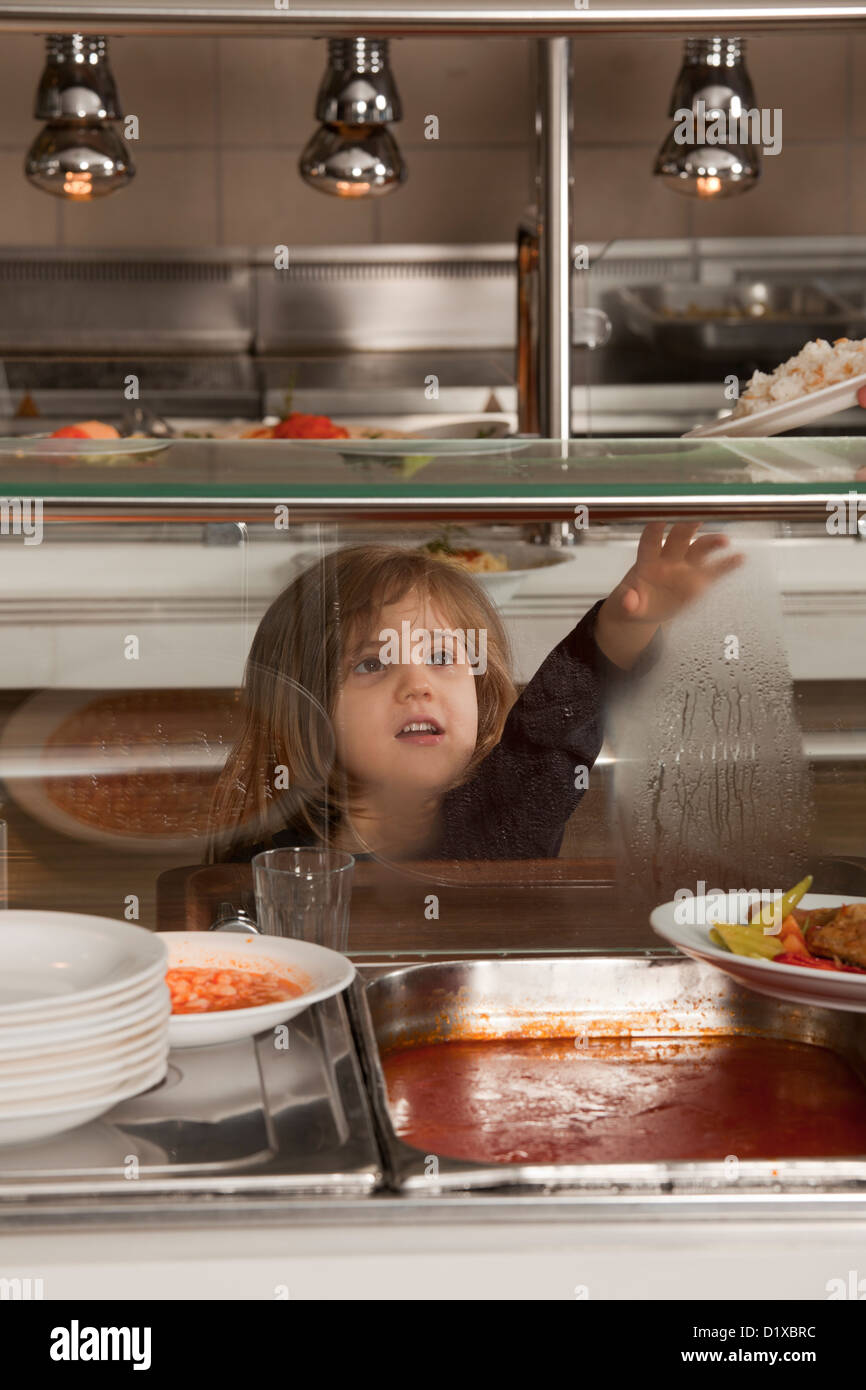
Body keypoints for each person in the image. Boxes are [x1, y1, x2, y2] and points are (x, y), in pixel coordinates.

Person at [207, 522, 741, 866]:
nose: (418, 685)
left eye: (442, 659)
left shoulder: (509, 804)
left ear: (481, 695)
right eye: (371, 663)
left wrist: (627, 625)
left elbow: (560, 713)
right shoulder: (267, 859)